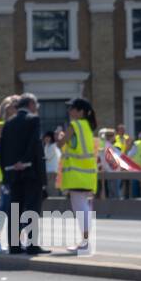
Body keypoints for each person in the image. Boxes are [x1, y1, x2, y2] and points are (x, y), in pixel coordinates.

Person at [0, 93, 48, 253]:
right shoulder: (34, 120)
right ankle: (32, 245)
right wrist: (24, 161)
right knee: (32, 208)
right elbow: (35, 144)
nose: (37, 108)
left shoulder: (8, 123)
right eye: (36, 105)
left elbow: (1, 150)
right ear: (31, 104)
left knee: (15, 209)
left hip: (13, 173)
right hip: (31, 171)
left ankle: (14, 245)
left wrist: (9, 168)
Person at [61, 97, 99, 252]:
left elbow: (60, 143)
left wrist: (59, 137)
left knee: (80, 208)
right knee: (84, 208)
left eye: (72, 108)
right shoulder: (87, 127)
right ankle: (85, 241)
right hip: (88, 173)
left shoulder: (74, 125)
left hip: (77, 174)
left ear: (80, 111)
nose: (69, 111)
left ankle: (84, 243)